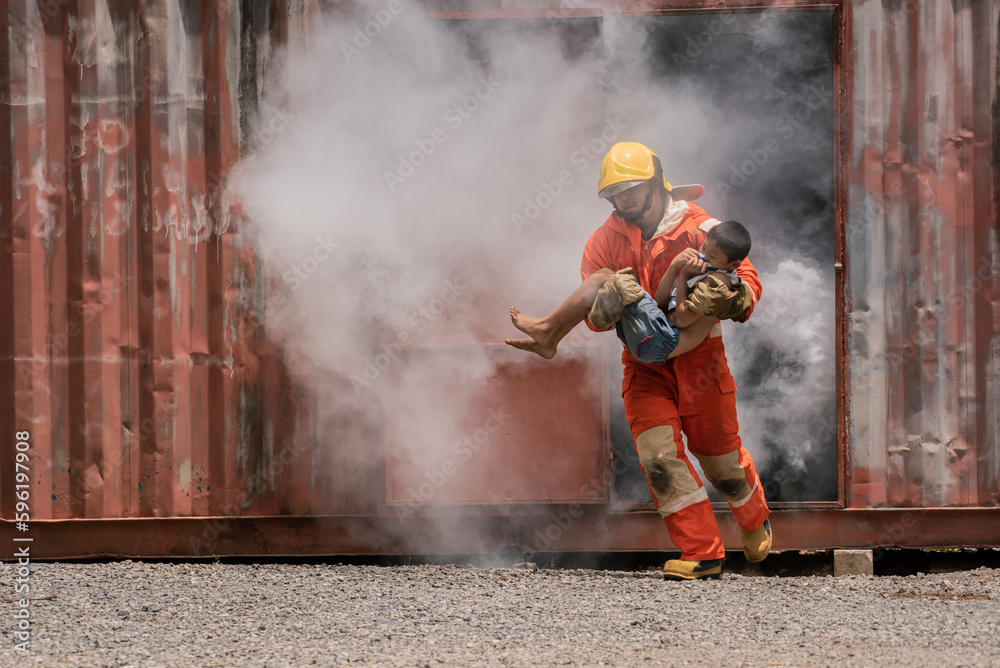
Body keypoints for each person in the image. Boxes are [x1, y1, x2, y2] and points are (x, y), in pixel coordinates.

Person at [581, 142, 773, 580]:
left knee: (721, 463)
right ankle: (703, 553)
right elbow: (591, 318)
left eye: (630, 189)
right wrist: (603, 306)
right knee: (659, 457)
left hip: (701, 363)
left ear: (655, 183)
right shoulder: (603, 241)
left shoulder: (701, 227)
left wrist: (735, 296)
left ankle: (753, 516)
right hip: (644, 365)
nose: (623, 200)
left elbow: (747, 279)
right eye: (615, 193)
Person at [504, 220, 751, 366]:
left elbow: (682, 319)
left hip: (664, 340)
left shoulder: (717, 282)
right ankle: (549, 340)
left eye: (712, 255)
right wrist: (676, 267)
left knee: (605, 277)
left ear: (733, 265)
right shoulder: (705, 269)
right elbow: (661, 305)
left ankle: (547, 331)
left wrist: (685, 277)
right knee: (604, 281)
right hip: (658, 335)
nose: (703, 256)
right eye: (704, 248)